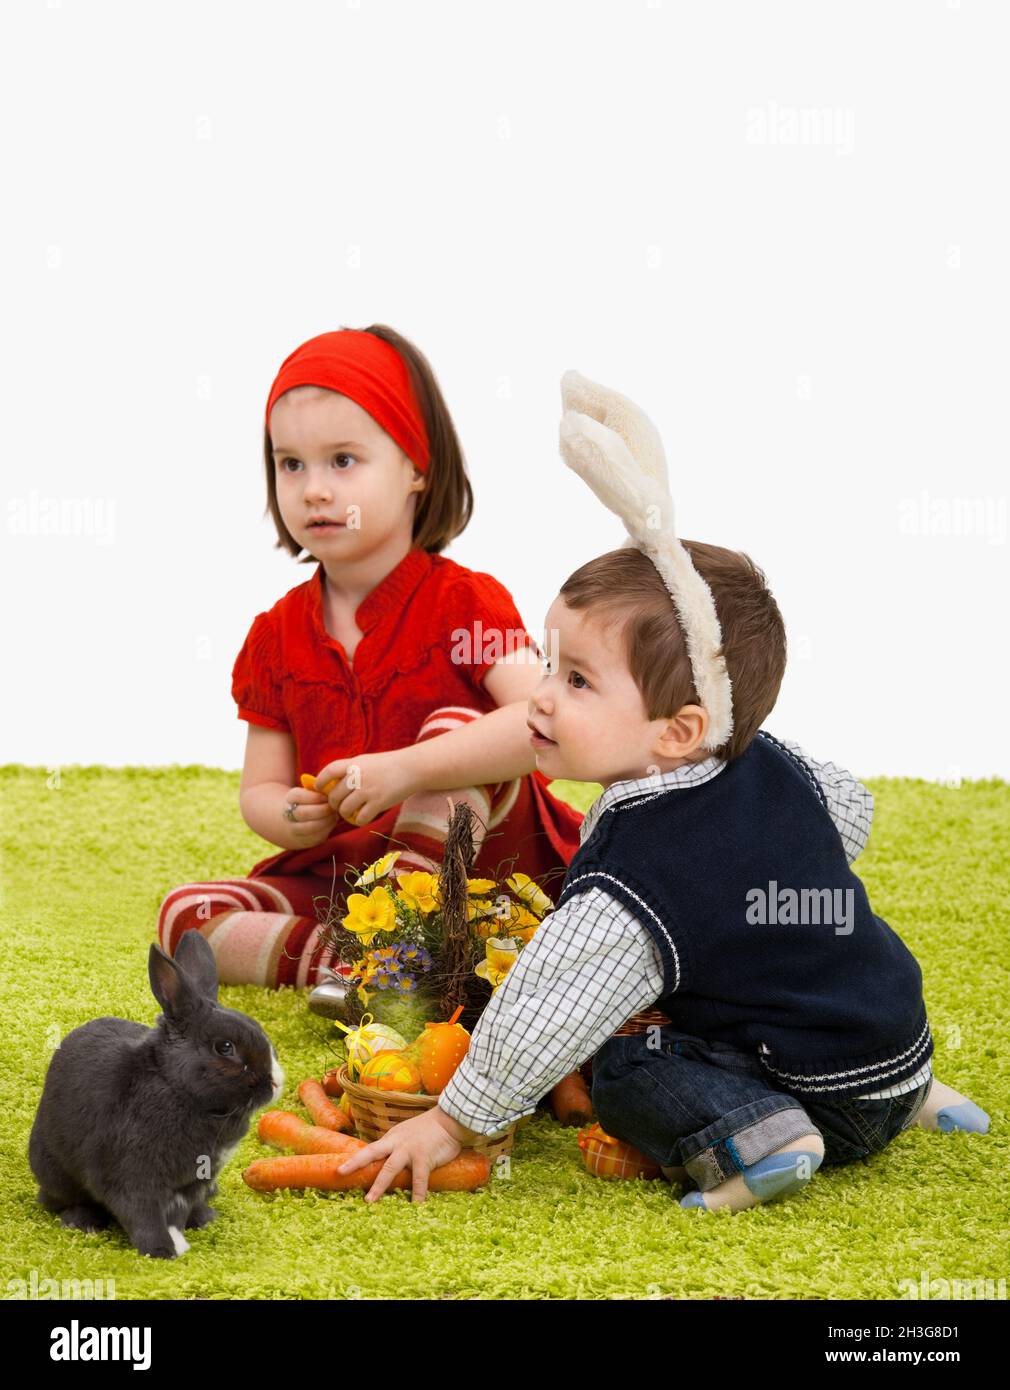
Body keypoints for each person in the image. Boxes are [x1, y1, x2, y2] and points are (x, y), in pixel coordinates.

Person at [334, 372, 990, 1211]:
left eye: (575, 680)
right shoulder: (769, 762)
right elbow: (850, 810)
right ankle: (908, 1100)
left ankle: (761, 1135)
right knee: (824, 963)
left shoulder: (643, 875)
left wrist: (455, 1120)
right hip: (894, 1038)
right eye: (546, 664)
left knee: (623, 1059)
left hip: (810, 1086)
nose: (538, 696)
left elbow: (552, 1001)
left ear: (676, 732)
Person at [156, 326, 583, 988]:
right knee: (188, 915)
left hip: (492, 872)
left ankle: (408, 945)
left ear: (418, 467)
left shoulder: (462, 603)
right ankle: (363, 965)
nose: (314, 490)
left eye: (343, 460)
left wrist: (404, 771)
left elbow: (542, 719)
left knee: (451, 729)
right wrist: (293, 819)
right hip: (352, 886)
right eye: (290, 464)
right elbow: (260, 791)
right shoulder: (276, 635)